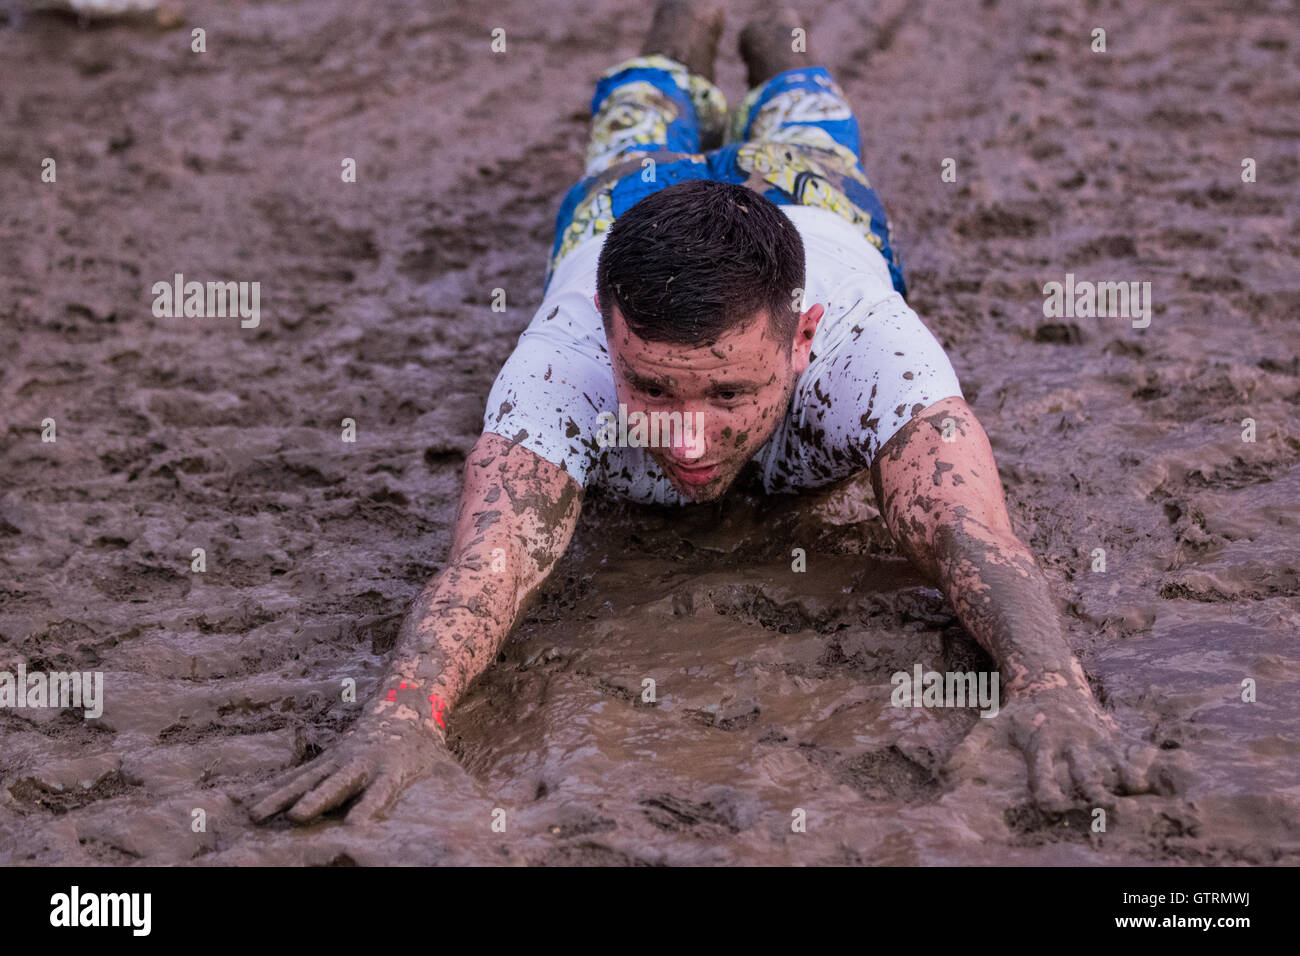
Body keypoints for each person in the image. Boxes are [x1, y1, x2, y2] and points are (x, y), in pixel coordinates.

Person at [249, 0, 1167, 827]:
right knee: (633, 132)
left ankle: (771, 42)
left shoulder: (873, 353)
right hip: (629, 202)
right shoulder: (557, 366)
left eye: (730, 393)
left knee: (808, 120)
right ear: (605, 335)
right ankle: (682, 30)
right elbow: (481, 570)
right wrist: (401, 716)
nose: (686, 439)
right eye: (650, 387)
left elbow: (974, 538)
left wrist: (1052, 688)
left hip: (807, 193)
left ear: (803, 339)